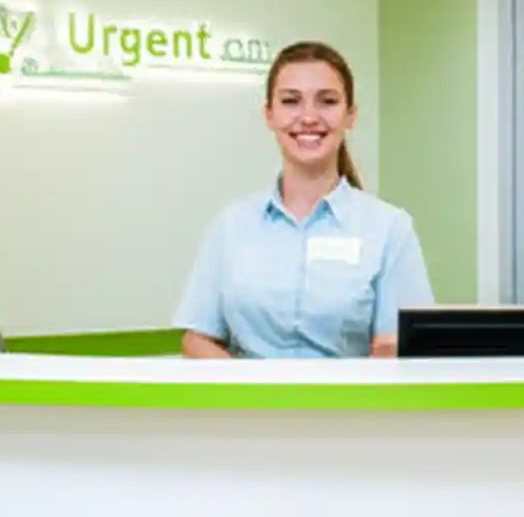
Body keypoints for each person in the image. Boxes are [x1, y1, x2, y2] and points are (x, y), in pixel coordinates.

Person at [174, 41, 434, 359]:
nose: (309, 117)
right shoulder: (231, 225)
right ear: (269, 114)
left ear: (350, 115)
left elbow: (393, 347)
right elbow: (197, 339)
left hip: (347, 406)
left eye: (327, 101)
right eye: (290, 101)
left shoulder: (390, 228)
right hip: (249, 407)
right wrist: (251, 393)